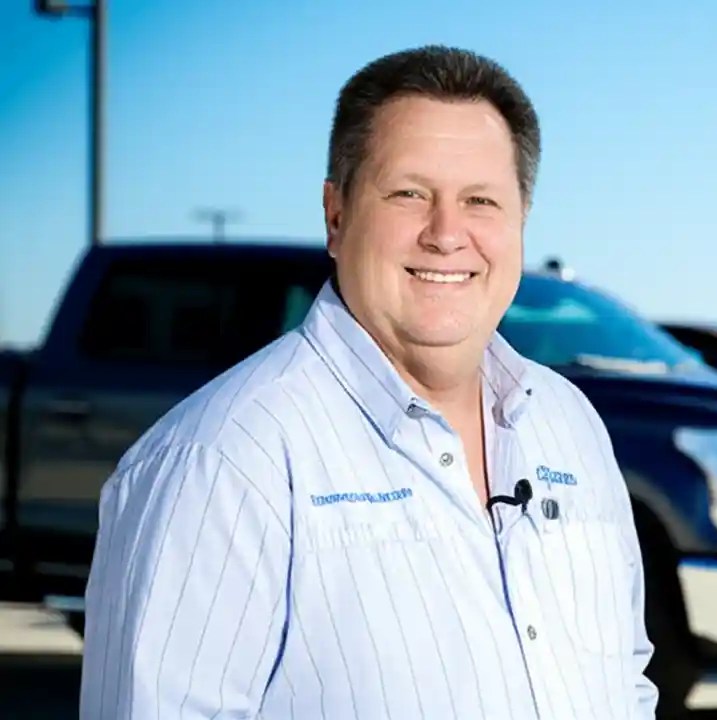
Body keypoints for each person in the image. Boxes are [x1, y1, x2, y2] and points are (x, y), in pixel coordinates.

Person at [79, 44, 658, 719]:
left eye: (481, 201)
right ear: (336, 214)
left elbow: (628, 686)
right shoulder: (222, 461)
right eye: (409, 194)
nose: (447, 234)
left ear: (521, 219)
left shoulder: (571, 427)